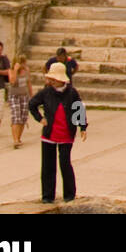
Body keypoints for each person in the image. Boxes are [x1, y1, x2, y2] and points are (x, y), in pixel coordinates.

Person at [27, 61, 86, 204]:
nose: (51, 81)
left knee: (65, 164)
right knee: (48, 166)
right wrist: (40, 118)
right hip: (49, 134)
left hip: (66, 134)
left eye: (53, 79)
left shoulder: (72, 92)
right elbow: (32, 104)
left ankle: (69, 195)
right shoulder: (46, 92)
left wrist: (83, 127)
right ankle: (47, 196)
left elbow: (79, 109)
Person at [8, 55, 33, 149]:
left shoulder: (26, 70)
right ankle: (15, 140)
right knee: (16, 116)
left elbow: (28, 83)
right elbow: (12, 81)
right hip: (14, 96)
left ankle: (18, 138)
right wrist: (15, 70)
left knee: (23, 117)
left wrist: (32, 95)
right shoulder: (11, 71)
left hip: (24, 96)